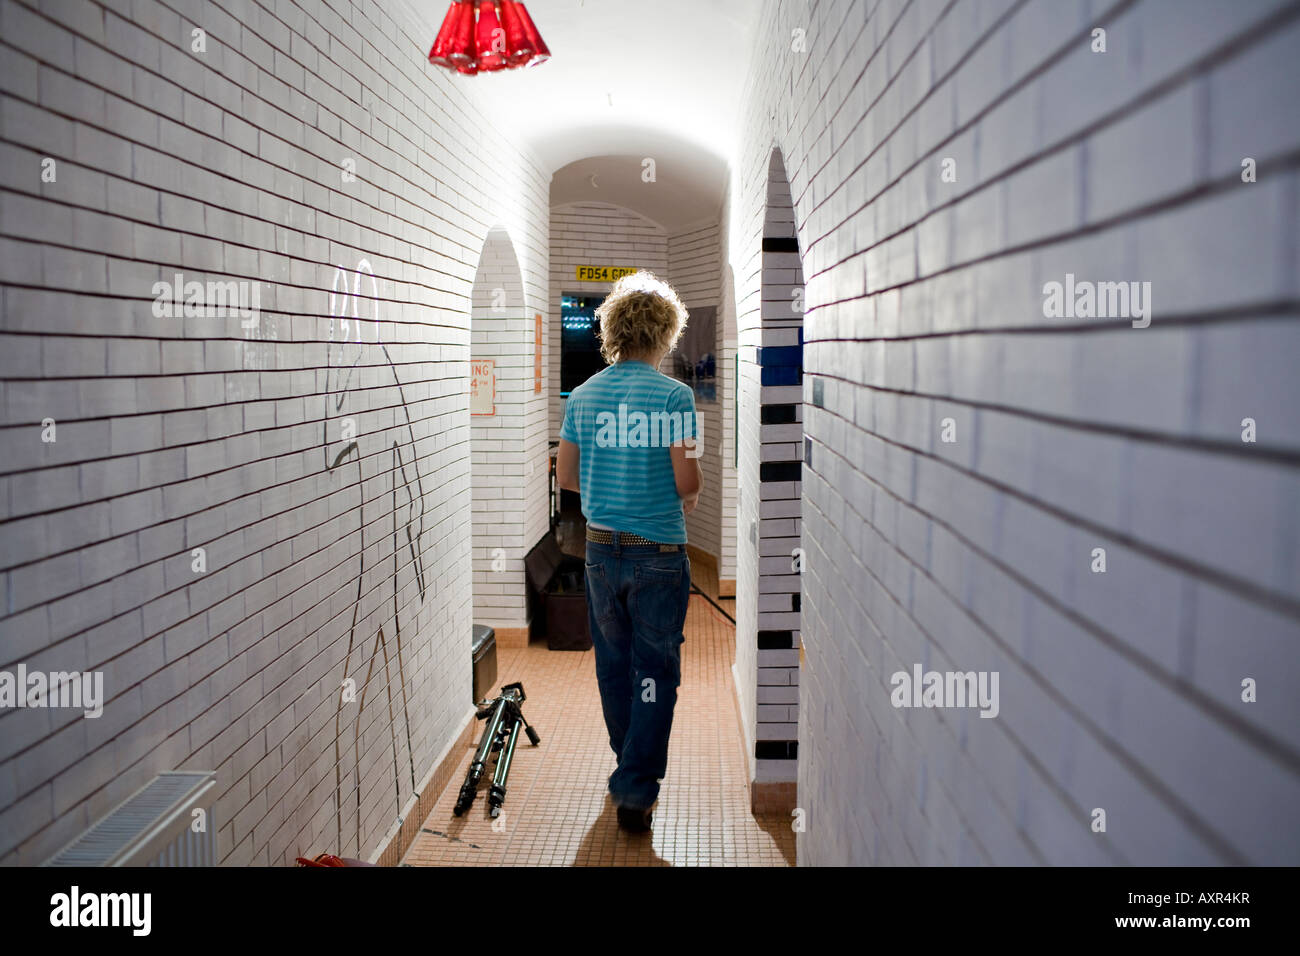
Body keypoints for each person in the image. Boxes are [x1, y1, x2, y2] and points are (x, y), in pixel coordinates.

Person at [556, 270, 703, 833]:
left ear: (613, 330)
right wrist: (684, 493)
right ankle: (636, 787)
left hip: (599, 554)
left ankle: (628, 770)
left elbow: (566, 478)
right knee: (655, 672)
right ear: (666, 332)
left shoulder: (585, 395)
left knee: (615, 668)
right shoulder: (676, 397)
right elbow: (687, 482)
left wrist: (607, 483)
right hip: (659, 556)